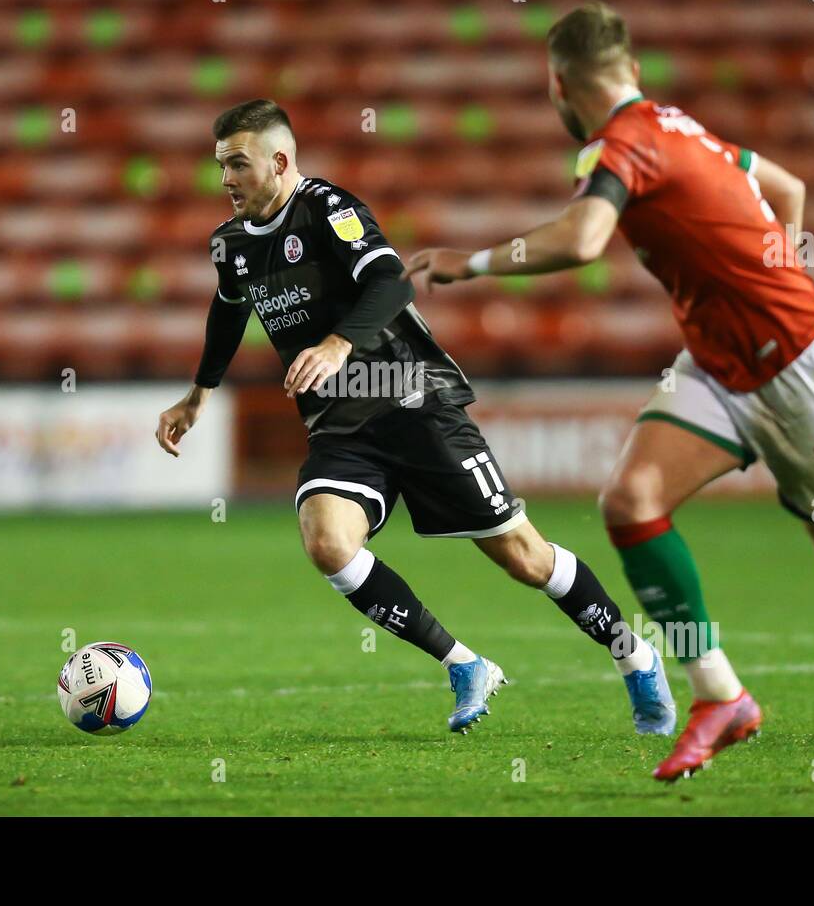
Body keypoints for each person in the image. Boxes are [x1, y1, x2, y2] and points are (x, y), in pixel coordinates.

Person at [406, 4, 814, 788]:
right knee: (630, 502)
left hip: (807, 370)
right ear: (632, 71)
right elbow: (789, 187)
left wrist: (468, 262)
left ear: (558, 85)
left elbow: (583, 240)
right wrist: (749, 281)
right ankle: (718, 694)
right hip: (720, 365)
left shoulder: (618, 145)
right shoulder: (680, 126)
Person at [157, 98, 674, 735]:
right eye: (220, 166)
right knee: (328, 542)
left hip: (414, 401)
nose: (226, 179)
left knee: (523, 557)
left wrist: (337, 344)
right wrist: (199, 395)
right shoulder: (231, 244)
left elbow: (392, 283)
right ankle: (464, 665)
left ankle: (637, 656)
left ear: (279, 160)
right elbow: (229, 310)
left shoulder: (325, 208)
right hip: (341, 427)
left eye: (237, 164)